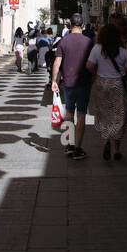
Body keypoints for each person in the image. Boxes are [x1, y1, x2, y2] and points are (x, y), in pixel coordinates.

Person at [86, 22, 127, 162]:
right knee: (118, 117)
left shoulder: (97, 49)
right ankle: (117, 149)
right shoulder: (123, 51)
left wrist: (97, 72)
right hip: (118, 86)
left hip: (101, 84)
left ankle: (106, 138)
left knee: (105, 114)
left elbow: (89, 66)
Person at [51, 14, 93, 161]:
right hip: (84, 83)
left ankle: (68, 145)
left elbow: (57, 63)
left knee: (69, 112)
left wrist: (54, 80)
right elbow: (93, 63)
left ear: (70, 25)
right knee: (81, 114)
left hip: (68, 83)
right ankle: (78, 148)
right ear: (82, 25)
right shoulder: (89, 42)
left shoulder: (64, 41)